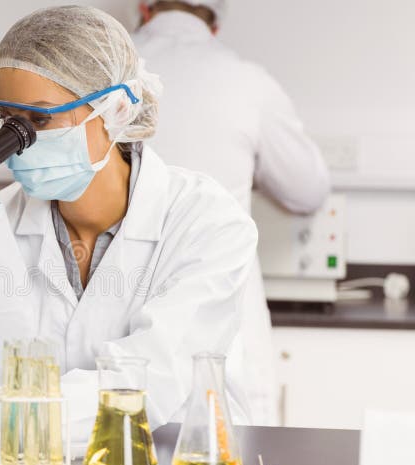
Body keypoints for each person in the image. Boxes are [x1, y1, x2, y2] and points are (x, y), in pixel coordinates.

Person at [0, 5, 258, 456]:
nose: (19, 139)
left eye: (39, 120)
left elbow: (144, 384)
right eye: (7, 119)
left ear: (114, 108)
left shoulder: (206, 220)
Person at [132, 0, 330, 425]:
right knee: (230, 454)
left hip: (115, 290)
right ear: (216, 22)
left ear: (144, 9)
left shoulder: (104, 72)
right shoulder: (246, 81)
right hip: (222, 300)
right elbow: (308, 190)